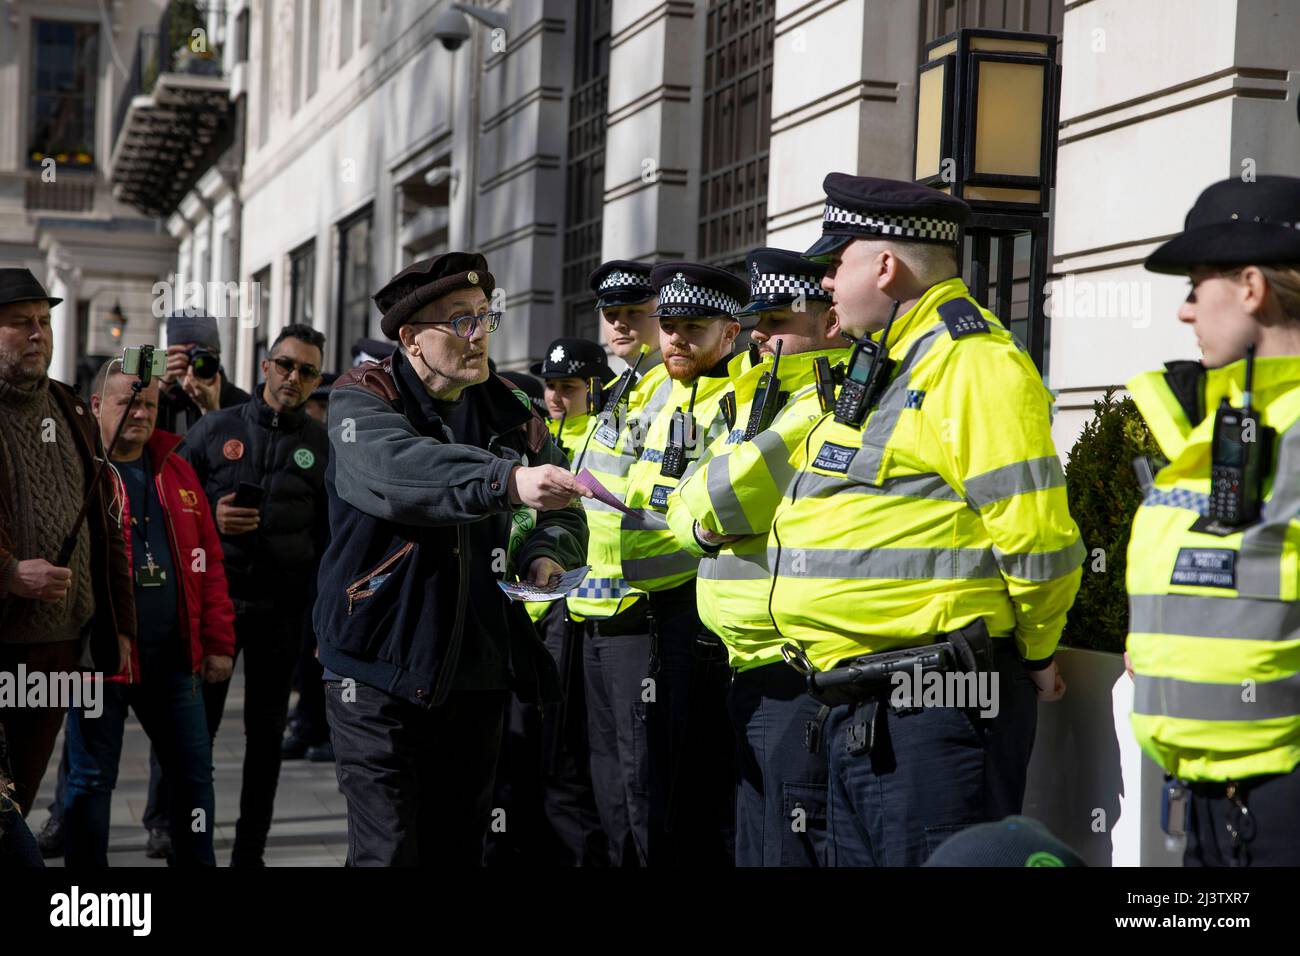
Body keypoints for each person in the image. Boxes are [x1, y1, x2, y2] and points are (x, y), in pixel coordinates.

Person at [764, 174, 1083, 866]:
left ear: (885, 266)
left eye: (834, 264)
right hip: (869, 710)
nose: (823, 284)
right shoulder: (895, 362)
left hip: (937, 709)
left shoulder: (972, 362)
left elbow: (1037, 539)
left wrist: (1037, 653)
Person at [315, 251, 590, 866]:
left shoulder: (515, 404)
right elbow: (399, 475)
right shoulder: (363, 397)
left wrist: (547, 553)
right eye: (461, 321)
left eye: (485, 317)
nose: (479, 334)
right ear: (412, 339)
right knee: (387, 853)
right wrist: (507, 481)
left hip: (477, 666)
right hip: (377, 665)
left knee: (459, 851)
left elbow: (566, 506)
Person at [1126, 174, 1300, 866]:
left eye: (1197, 288)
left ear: (1251, 287)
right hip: (1204, 801)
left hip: (1281, 801)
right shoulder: (1222, 429)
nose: (1185, 313)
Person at [666, 248, 848, 866]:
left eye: (778, 323)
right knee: (754, 841)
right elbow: (684, 508)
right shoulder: (756, 396)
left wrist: (706, 519)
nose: (760, 336)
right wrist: (704, 518)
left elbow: (716, 501)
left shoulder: (822, 400)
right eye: (758, 322)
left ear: (830, 321)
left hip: (789, 666)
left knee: (786, 846)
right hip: (747, 659)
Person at [162, 322, 330, 866]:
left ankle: (250, 853)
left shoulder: (321, 446)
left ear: (316, 378)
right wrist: (210, 514)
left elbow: (331, 538)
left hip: (283, 612)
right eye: (285, 365)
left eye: (306, 371)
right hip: (218, 606)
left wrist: (326, 624)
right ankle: (190, 842)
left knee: (266, 738)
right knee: (198, 735)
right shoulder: (217, 429)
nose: (293, 378)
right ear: (265, 367)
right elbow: (169, 503)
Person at [61, 359, 236, 867]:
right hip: (100, 663)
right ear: (97, 406)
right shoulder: (79, 470)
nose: (140, 412)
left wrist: (220, 641)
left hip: (175, 660)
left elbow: (209, 560)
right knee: (90, 781)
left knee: (193, 775)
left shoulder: (176, 468)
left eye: (149, 404)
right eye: (128, 402)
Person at [620, 261, 748, 866]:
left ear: (730, 332)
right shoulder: (660, 393)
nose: (675, 338)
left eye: (693, 327)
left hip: (710, 610)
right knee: (659, 781)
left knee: (707, 788)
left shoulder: (745, 397)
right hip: (654, 611)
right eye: (668, 325)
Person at [0, 268, 134, 818]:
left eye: (44, 322)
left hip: (59, 650)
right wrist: (7, 572)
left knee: (22, 798)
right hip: (4, 637)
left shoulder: (73, 407)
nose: (38, 334)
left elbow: (107, 525)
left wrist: (121, 623)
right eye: (19, 324)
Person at [565, 260, 670, 866]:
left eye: (636, 311)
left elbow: (656, 498)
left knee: (639, 778)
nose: (622, 323)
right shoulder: (623, 388)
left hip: (642, 609)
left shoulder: (666, 389)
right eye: (613, 314)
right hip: (596, 608)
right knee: (607, 773)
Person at [155, 307, 250, 435]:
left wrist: (212, 410)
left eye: (200, 356)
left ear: (216, 355)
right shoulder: (165, 401)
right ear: (170, 357)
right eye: (183, 356)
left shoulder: (244, 405)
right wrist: (160, 394)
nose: (192, 365)